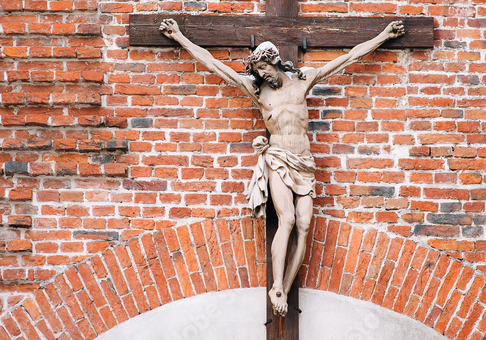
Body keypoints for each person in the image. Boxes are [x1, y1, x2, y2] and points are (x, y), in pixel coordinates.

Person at [158, 18, 405, 315]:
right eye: (257, 71)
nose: (261, 75)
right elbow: (215, 66)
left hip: (305, 163)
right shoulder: (259, 92)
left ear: (274, 61)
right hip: (277, 159)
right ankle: (276, 287)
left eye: (264, 68)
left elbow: (349, 57)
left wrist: (383, 35)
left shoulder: (304, 80)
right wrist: (180, 38)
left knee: (304, 225)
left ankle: (284, 288)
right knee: (286, 219)